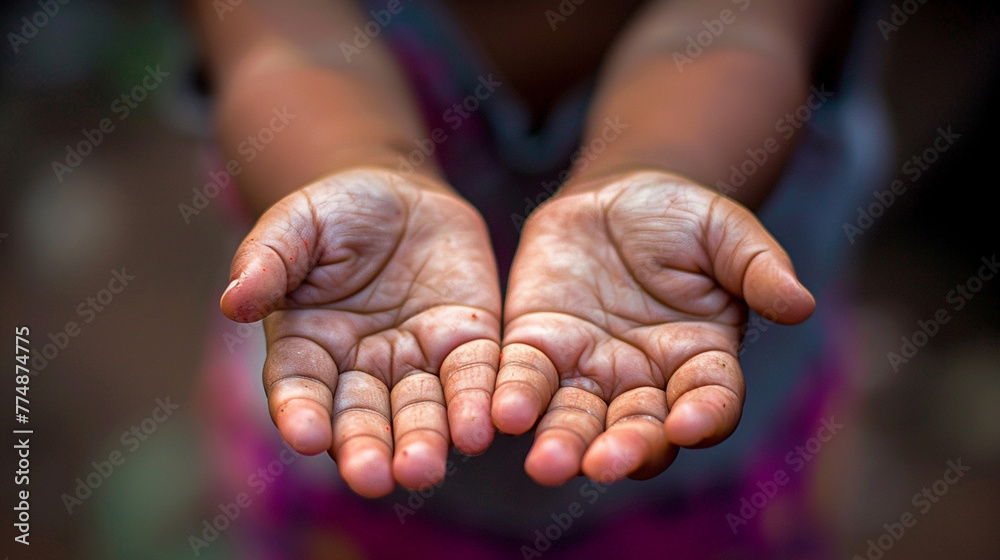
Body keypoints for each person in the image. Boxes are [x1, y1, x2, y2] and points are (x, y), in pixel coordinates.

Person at [191, 0, 890, 557]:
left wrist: (657, 172)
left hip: (706, 494)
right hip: (355, 480)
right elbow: (280, 43)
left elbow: (737, 30)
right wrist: (350, 165)